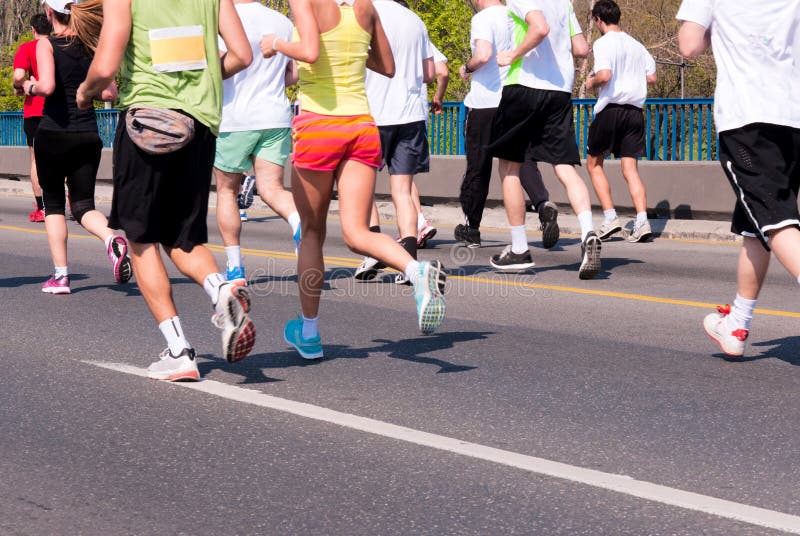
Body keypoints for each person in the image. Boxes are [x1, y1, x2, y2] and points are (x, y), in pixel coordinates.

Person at [77, 0, 255, 380]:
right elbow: (242, 55)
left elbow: (105, 67)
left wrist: (85, 91)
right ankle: (222, 291)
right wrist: (203, 82)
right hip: (199, 125)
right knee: (181, 238)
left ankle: (179, 352)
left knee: (141, 241)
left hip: (149, 124)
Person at [259, 0, 446, 360]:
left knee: (311, 233)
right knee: (357, 233)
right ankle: (416, 270)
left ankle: (309, 333)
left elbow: (310, 52)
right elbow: (388, 67)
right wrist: (351, 55)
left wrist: (276, 44)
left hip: (319, 125)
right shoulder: (366, 7)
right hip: (361, 126)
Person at [677, 0, 800, 357]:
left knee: (775, 220)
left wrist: (716, 28)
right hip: (792, 116)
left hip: (747, 116)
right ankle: (737, 323)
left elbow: (689, 44)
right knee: (755, 225)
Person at [22, 0, 131, 295]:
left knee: (54, 204)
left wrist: (30, 86)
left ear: (49, 12)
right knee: (83, 205)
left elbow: (47, 87)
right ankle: (110, 238)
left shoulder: (47, 44)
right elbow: (109, 92)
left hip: (54, 133)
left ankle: (61, 277)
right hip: (87, 134)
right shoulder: (92, 44)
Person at [488, 0, 598, 278]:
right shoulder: (564, 2)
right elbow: (581, 48)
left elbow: (540, 28)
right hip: (559, 91)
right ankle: (588, 232)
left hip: (524, 85)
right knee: (564, 167)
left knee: (510, 167)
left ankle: (519, 249)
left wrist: (513, 55)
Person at [454, 0, 559, 250]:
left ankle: (472, 228)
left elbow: (483, 54)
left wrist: (466, 68)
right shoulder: (517, 15)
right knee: (520, 161)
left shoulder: (483, 18)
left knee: (478, 166)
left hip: (484, 104)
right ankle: (542, 204)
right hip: (515, 98)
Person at [214, 0, 302, 285]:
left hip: (234, 118)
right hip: (275, 116)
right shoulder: (282, 22)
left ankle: (235, 269)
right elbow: (294, 74)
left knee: (227, 192)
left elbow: (215, 65)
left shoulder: (220, 17)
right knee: (272, 189)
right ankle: (298, 222)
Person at [356, 0, 436, 282]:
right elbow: (429, 74)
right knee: (402, 191)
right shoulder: (415, 20)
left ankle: (374, 248)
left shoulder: (363, 12)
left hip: (373, 113)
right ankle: (409, 261)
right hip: (410, 115)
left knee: (363, 189)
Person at [584, 0, 656, 243]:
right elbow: (652, 77)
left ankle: (610, 217)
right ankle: (642, 221)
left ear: (598, 20)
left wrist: (590, 81)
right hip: (634, 112)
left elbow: (605, 76)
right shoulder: (637, 45)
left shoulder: (603, 43)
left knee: (594, 164)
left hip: (611, 110)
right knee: (630, 170)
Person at [12, 13, 53, 223]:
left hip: (35, 111)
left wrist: (19, 86)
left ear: (33, 29)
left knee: (36, 160)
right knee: (63, 157)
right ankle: (73, 200)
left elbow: (19, 76)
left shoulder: (27, 48)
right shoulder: (60, 46)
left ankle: (42, 208)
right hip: (60, 110)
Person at [412, 41, 449, 249]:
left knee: (395, 180)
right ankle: (417, 224)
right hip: (416, 115)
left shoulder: (378, 32)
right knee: (404, 177)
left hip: (385, 114)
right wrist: (438, 97)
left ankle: (416, 225)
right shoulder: (419, 34)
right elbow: (443, 72)